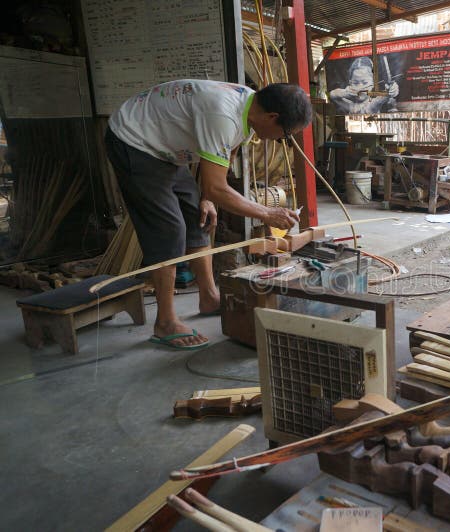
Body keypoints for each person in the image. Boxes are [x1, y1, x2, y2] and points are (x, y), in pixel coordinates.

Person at [105, 80, 312, 349]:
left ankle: (209, 297)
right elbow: (217, 185)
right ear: (272, 117)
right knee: (168, 231)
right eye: (285, 134)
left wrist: (207, 198)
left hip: (165, 148)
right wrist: (266, 213)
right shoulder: (223, 114)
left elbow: (228, 152)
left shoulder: (250, 108)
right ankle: (165, 321)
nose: (283, 140)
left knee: (199, 217)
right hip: (134, 141)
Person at [330, 57, 398, 114]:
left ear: (372, 83)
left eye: (365, 83)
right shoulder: (350, 105)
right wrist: (346, 92)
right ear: (350, 82)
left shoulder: (372, 103)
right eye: (356, 83)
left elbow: (378, 101)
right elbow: (332, 95)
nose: (360, 88)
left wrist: (389, 92)